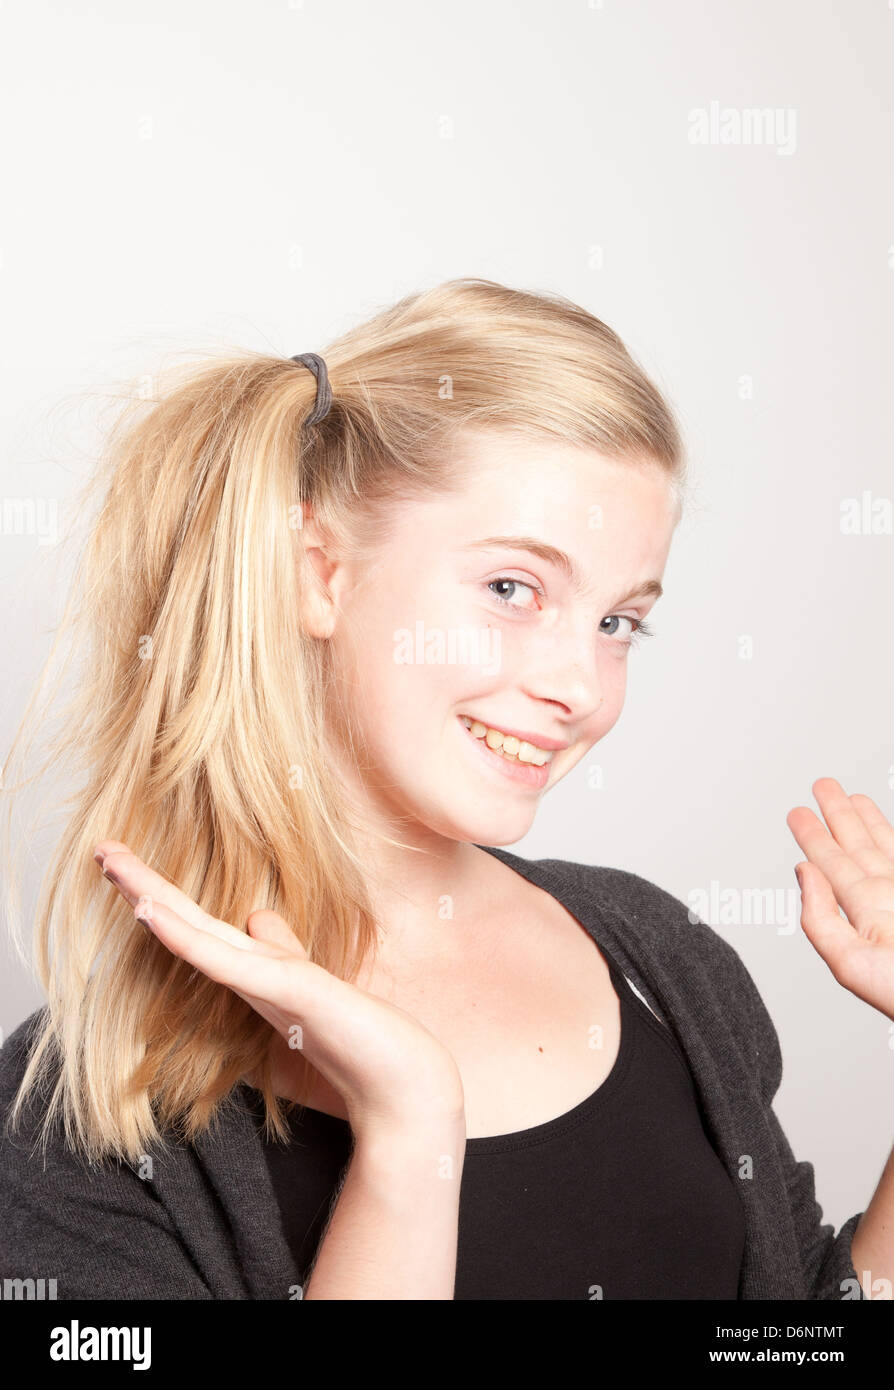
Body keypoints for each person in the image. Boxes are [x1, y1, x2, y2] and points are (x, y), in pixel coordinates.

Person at [1, 278, 892, 1301]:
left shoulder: (658, 957)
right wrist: (409, 1129)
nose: (578, 685)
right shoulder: (83, 1120)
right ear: (320, 573)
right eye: (514, 589)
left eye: (618, 622)